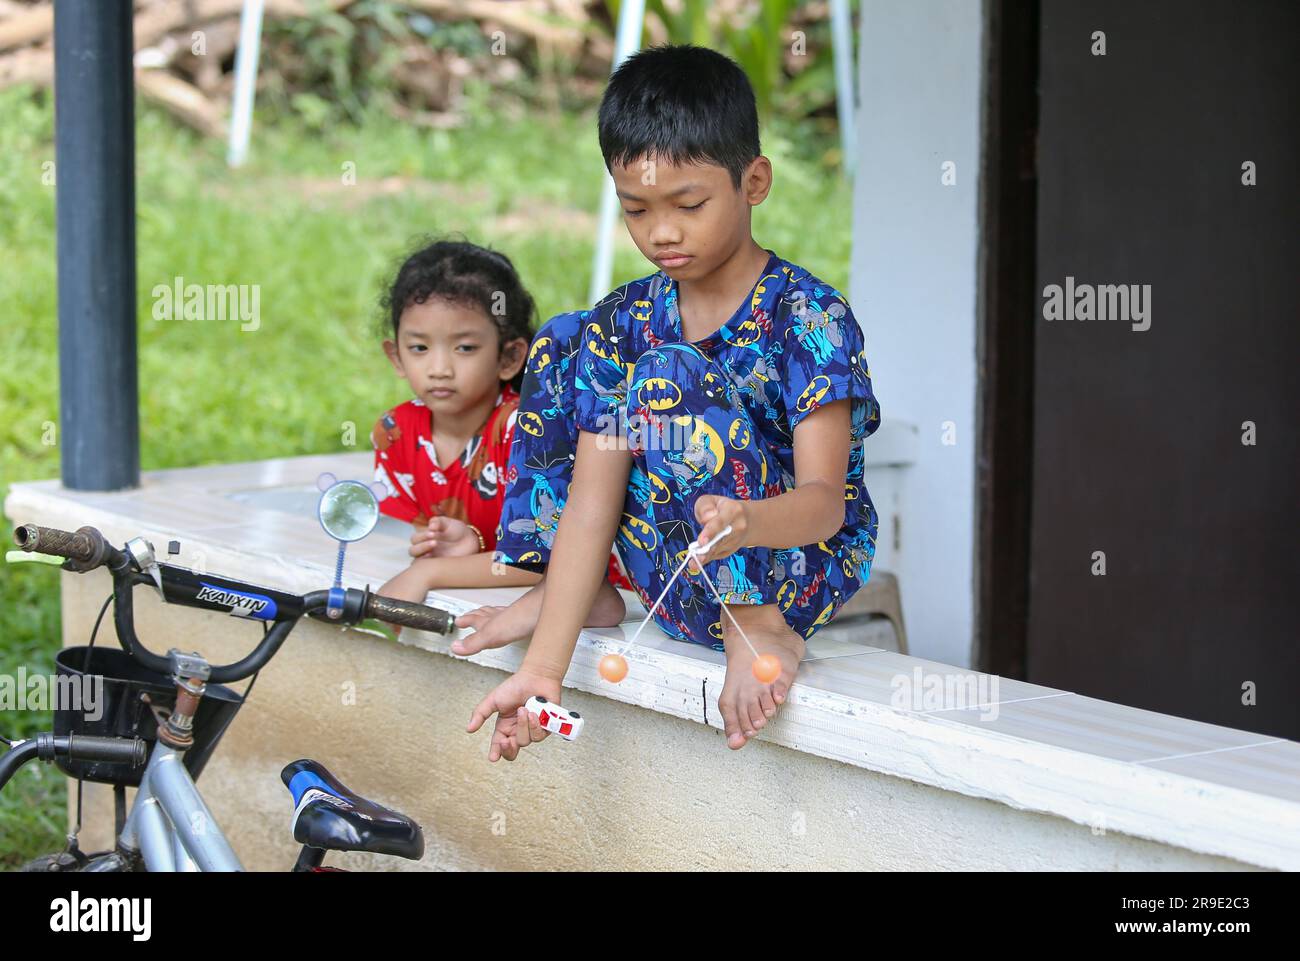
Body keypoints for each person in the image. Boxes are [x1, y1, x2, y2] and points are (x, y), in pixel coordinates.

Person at [463, 45, 882, 759]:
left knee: (667, 374)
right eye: (637, 208)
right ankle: (573, 588)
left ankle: (754, 624)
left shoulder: (807, 317)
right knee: (564, 342)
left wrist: (749, 522)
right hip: (673, 576)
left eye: (689, 205)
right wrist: (543, 671)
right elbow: (593, 502)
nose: (661, 232)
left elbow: (826, 503)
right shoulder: (624, 321)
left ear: (754, 181)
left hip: (789, 566)